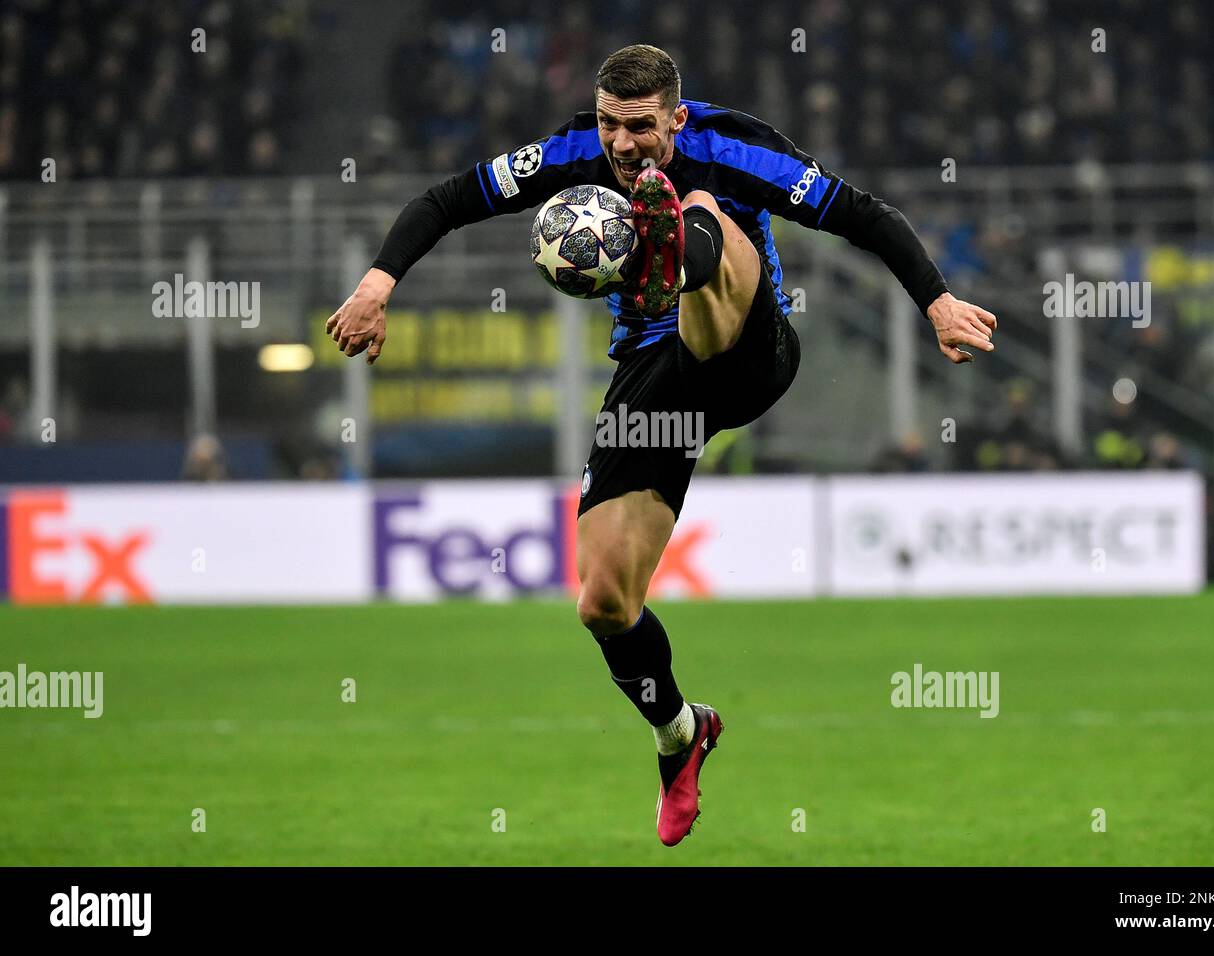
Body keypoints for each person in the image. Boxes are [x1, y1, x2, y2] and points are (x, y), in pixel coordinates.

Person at [326, 43, 997, 846]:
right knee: (603, 602)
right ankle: (681, 732)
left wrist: (937, 301)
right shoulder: (574, 151)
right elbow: (449, 199)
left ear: (675, 117)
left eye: (640, 127)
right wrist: (376, 285)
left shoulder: (733, 147)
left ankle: (676, 253)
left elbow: (863, 215)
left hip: (750, 348)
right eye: (610, 124)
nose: (620, 143)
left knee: (704, 210)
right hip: (657, 379)